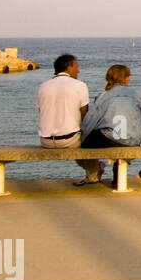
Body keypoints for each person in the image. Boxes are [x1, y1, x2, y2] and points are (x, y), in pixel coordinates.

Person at [80, 64, 141, 188]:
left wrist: (84, 137)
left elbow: (91, 120)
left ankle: (97, 170)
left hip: (111, 137)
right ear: (125, 78)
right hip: (133, 139)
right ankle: (117, 179)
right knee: (118, 140)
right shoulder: (137, 94)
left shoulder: (103, 96)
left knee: (97, 137)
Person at [37, 53, 101, 186]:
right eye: (76, 66)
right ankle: (94, 173)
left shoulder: (43, 86)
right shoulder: (80, 85)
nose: (78, 70)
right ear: (69, 67)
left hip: (46, 141)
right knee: (88, 136)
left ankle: (95, 171)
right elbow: (85, 116)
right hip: (68, 141)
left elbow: (41, 111)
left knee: (77, 135)